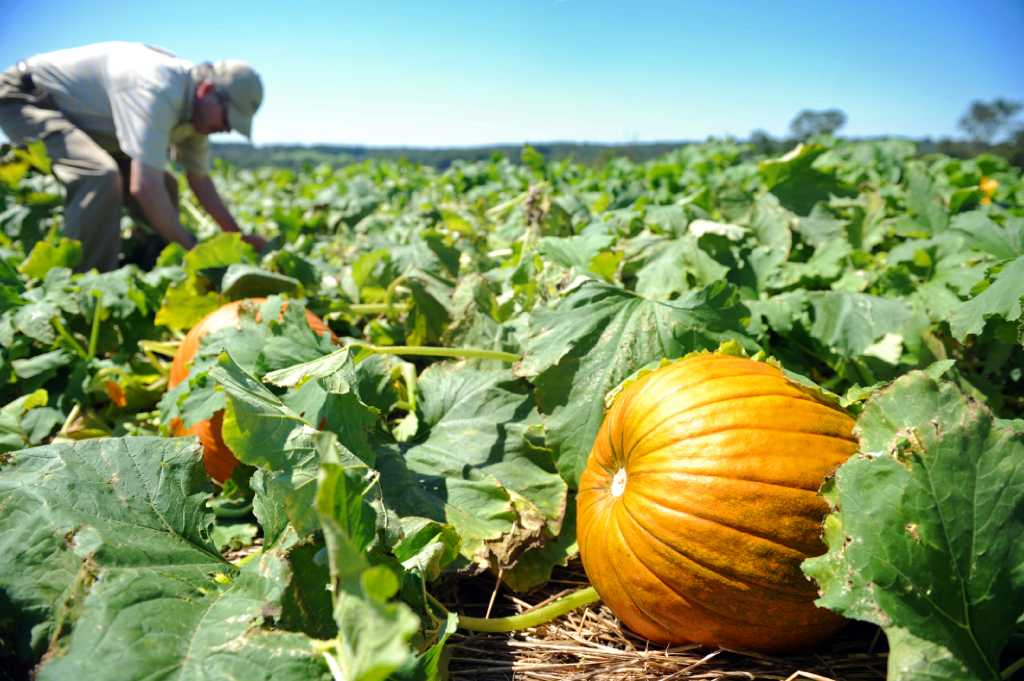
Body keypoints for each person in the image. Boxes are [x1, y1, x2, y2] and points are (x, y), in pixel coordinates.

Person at [0, 41, 267, 272]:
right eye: (228, 118)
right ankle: (89, 291)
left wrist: (239, 236)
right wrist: (196, 251)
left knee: (167, 185)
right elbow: (145, 189)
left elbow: (200, 181)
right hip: (28, 98)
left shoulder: (197, 116)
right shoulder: (157, 87)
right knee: (100, 176)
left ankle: (149, 263)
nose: (227, 129)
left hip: (89, 124)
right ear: (207, 91)